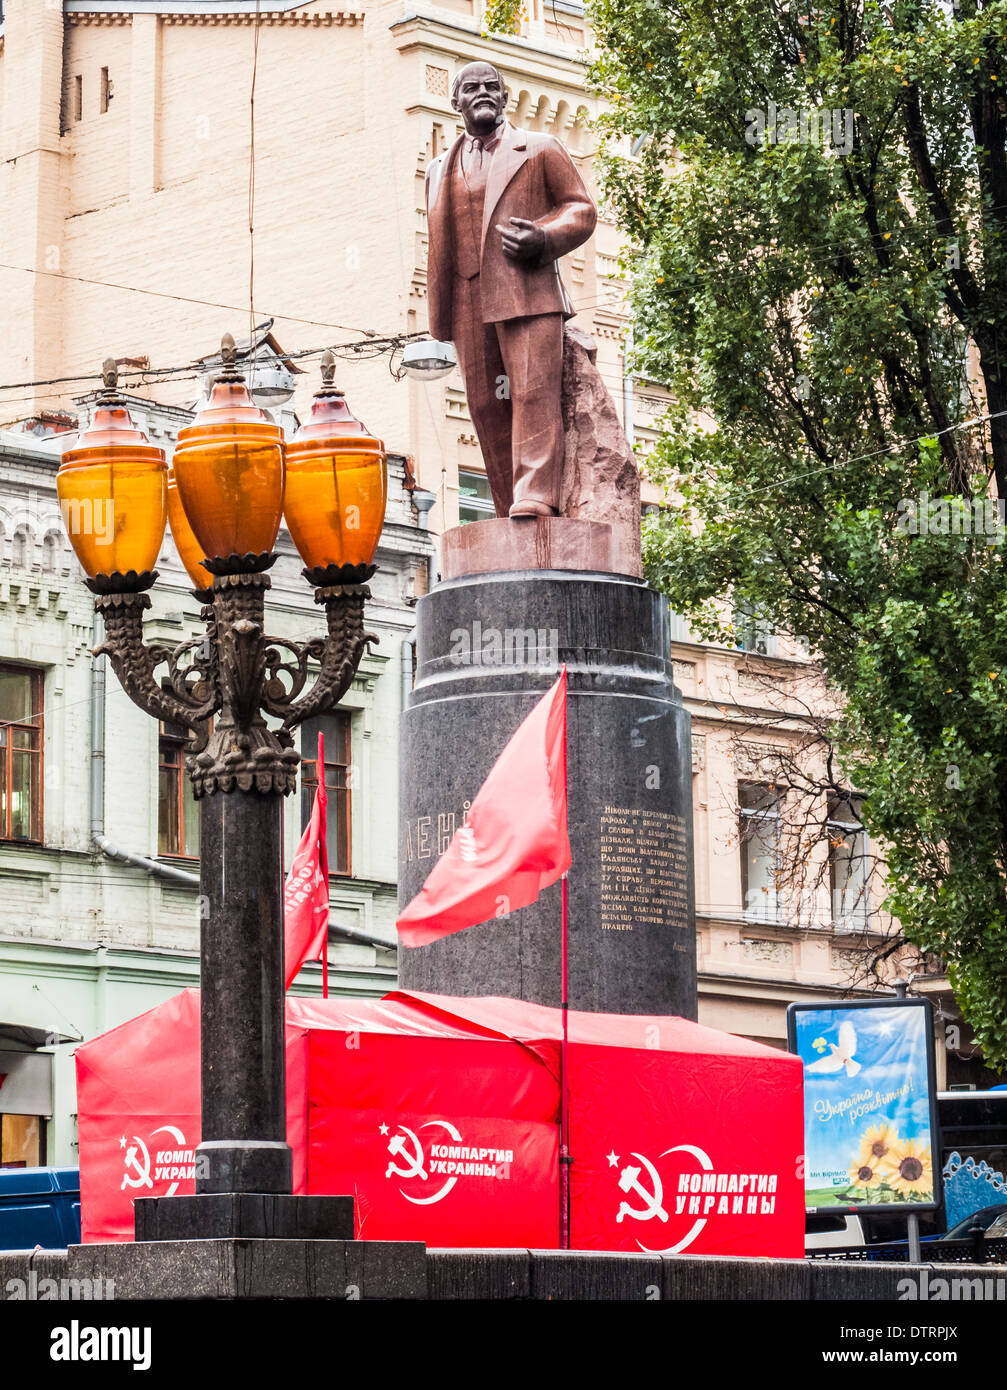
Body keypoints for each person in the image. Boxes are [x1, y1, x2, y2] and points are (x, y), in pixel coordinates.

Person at [425, 61, 597, 517]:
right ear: (455, 100)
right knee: (484, 404)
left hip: (527, 292)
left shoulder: (539, 149)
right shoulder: (439, 167)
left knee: (532, 393)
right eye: (471, 87)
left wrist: (543, 237)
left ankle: (536, 495)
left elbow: (580, 210)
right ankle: (507, 507)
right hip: (467, 299)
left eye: (491, 87)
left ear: (504, 98)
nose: (482, 93)